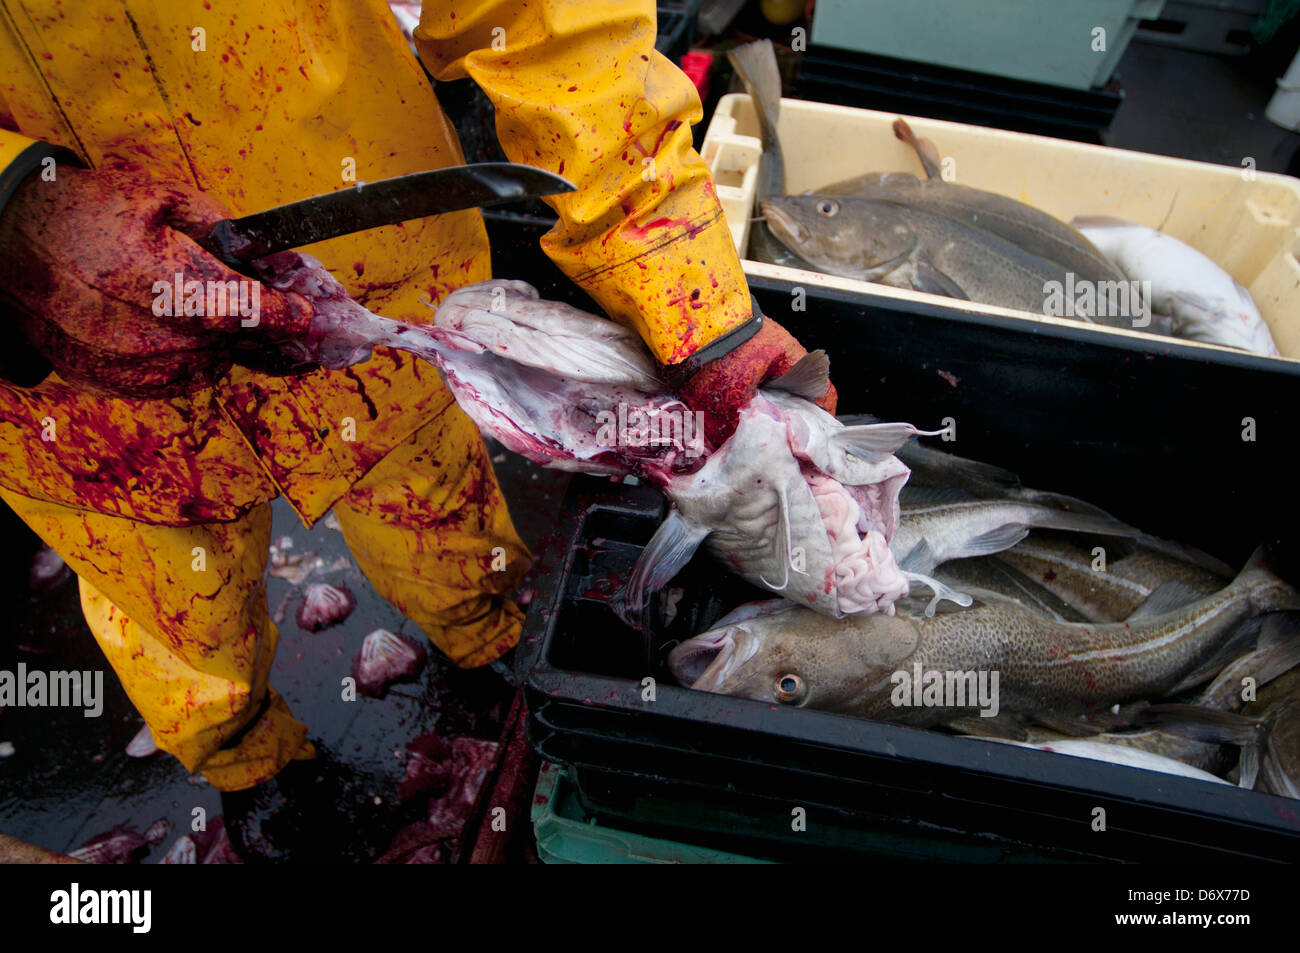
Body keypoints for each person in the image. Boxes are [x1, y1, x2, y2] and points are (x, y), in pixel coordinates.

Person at [0, 0, 834, 860]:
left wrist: (690, 292)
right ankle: (246, 759)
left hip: (374, 287)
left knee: (441, 509)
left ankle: (488, 637)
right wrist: (12, 204)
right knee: (173, 615)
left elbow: (547, 22)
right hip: (73, 404)